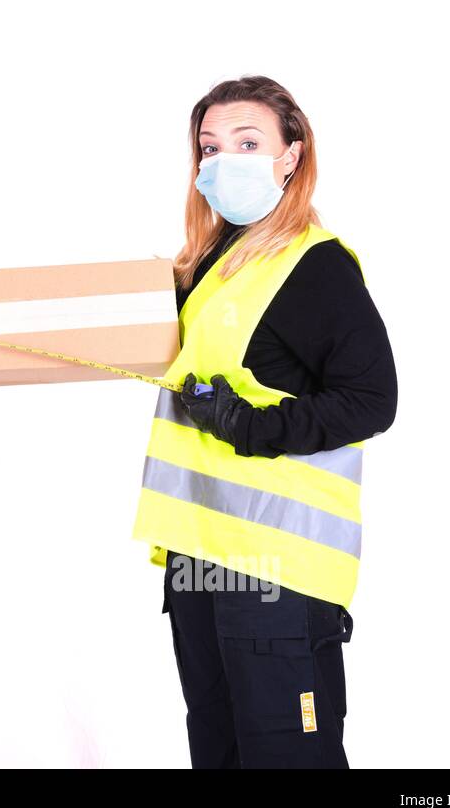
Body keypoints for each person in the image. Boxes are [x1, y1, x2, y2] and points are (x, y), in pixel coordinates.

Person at [132, 75, 397, 768]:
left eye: (247, 142)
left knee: (287, 758)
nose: (222, 162)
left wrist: (247, 424)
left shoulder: (315, 267)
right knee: (218, 751)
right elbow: (108, 325)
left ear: (291, 153)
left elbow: (372, 399)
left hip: (276, 565)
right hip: (199, 557)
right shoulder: (211, 264)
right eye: (209, 147)